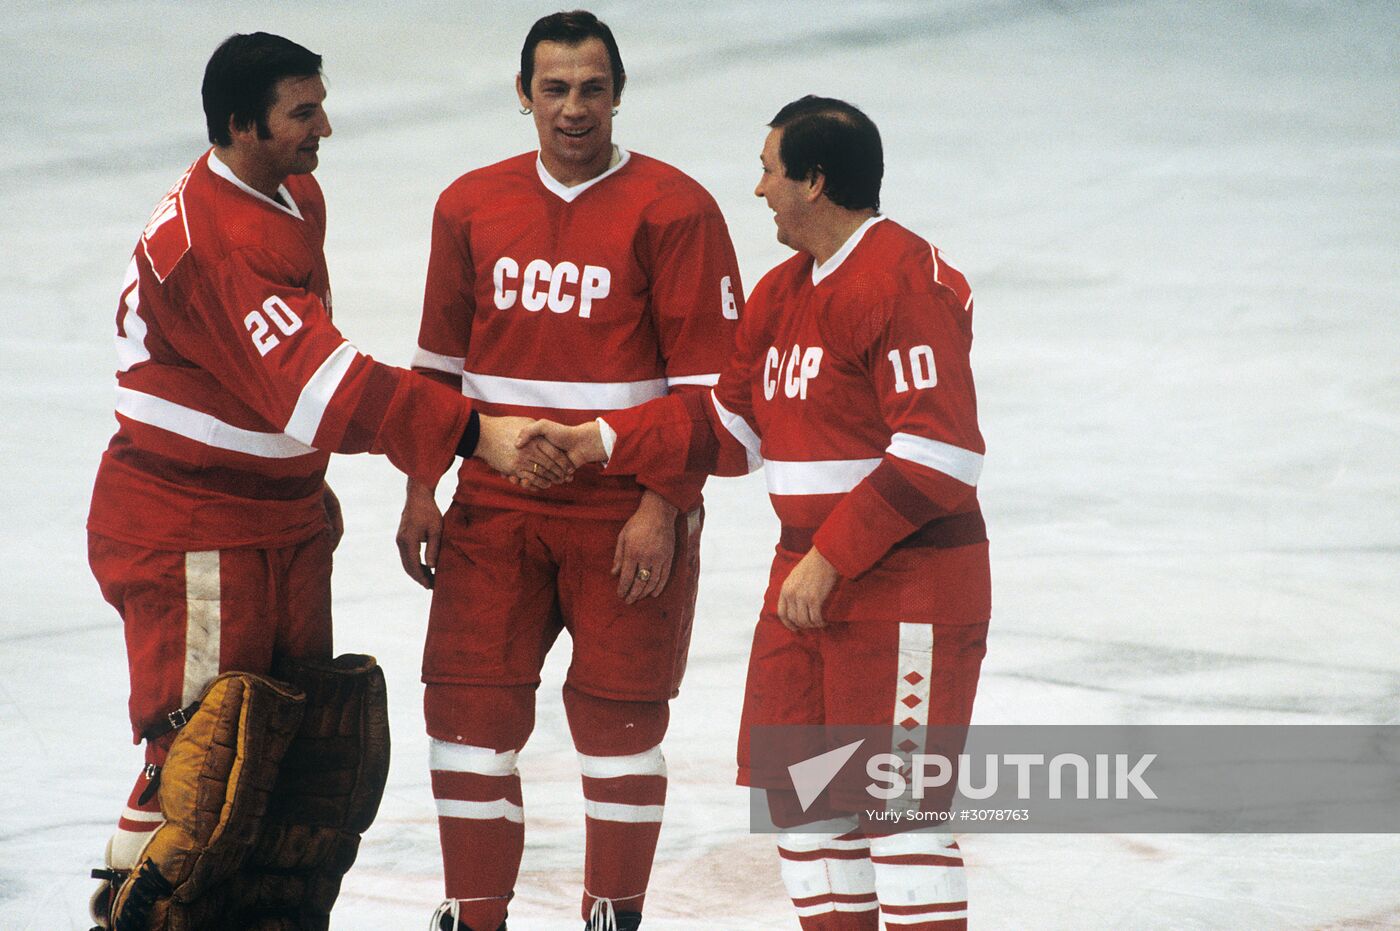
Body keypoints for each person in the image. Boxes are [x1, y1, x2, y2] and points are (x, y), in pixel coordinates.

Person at [84, 32, 569, 930]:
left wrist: (303, 479)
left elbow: (286, 377)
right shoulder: (215, 242)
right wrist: (470, 433)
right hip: (190, 523)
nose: (326, 128)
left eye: (322, 104)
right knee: (196, 757)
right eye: (302, 113)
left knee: (286, 753)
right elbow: (319, 384)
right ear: (242, 126)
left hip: (277, 516)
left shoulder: (292, 194)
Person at [523, 95, 991, 930]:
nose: (759, 189)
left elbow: (942, 453)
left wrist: (832, 557)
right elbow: (726, 432)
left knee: (900, 817)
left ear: (815, 181)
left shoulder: (902, 280)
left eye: (770, 170)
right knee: (802, 806)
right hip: (808, 580)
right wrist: (596, 439)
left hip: (905, 584)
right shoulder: (780, 294)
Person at [396, 11, 743, 931]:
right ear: (523, 95)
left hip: (624, 511)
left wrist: (664, 506)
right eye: (554, 89)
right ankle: (475, 915)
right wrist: (422, 485)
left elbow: (711, 395)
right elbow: (436, 370)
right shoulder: (468, 204)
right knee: (467, 719)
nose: (574, 108)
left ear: (619, 94)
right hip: (491, 503)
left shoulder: (677, 209)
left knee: (619, 724)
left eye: (592, 88)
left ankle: (611, 915)